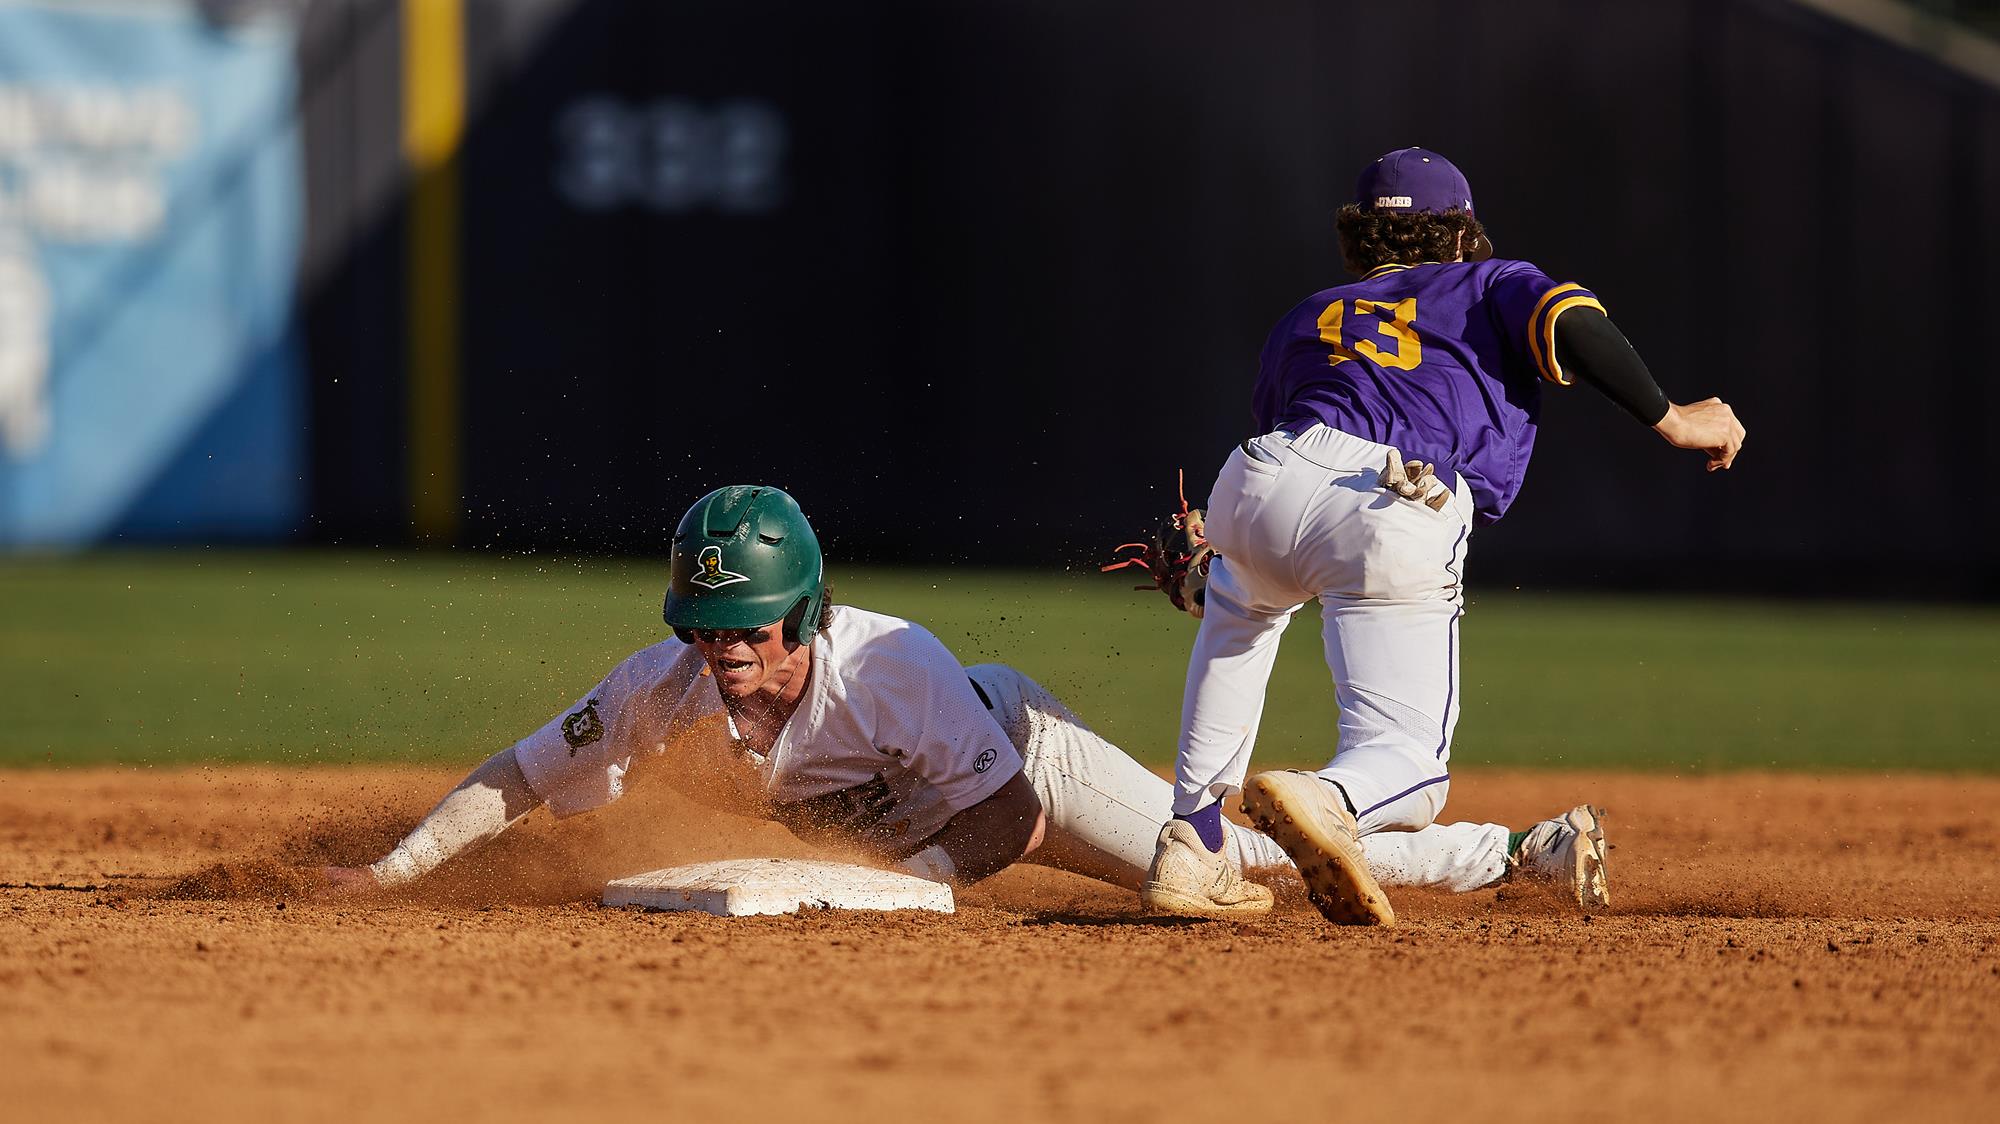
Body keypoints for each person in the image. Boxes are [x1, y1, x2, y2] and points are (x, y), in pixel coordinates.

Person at [325, 484, 1608, 914]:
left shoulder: (887, 666)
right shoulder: (658, 690)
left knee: (1227, 865)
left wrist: (896, 885)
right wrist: (390, 871)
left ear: (803, 613)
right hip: (944, 803)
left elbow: (1007, 820)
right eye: (703, 626)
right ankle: (1510, 852)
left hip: (1019, 760)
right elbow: (520, 776)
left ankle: (1514, 851)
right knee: (1234, 865)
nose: (722, 648)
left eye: (747, 625)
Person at [1141, 147, 1744, 925]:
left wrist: (1233, 557)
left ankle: (1192, 846)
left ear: (1358, 238)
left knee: (1241, 613)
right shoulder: (1488, 280)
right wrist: (1672, 418)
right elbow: (1572, 322)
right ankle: (1329, 797)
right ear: (1461, 234)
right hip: (1391, 494)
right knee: (1412, 769)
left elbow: (1301, 467)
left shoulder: (1306, 314)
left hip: (1259, 473)